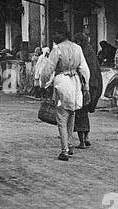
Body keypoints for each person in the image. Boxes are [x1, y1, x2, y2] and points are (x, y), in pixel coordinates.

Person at [37, 22, 89, 161]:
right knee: (72, 114)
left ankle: (64, 149)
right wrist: (86, 87)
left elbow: (48, 69)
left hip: (62, 81)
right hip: (75, 82)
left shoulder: (57, 49)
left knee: (61, 117)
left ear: (61, 34)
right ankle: (70, 144)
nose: (53, 36)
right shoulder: (77, 48)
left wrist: (42, 84)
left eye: (55, 33)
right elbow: (84, 69)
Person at [74, 31, 102, 148]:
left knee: (80, 112)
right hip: (93, 86)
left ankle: (82, 141)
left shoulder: (83, 53)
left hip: (85, 86)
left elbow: (84, 71)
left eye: (77, 42)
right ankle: (86, 137)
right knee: (84, 112)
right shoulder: (90, 52)